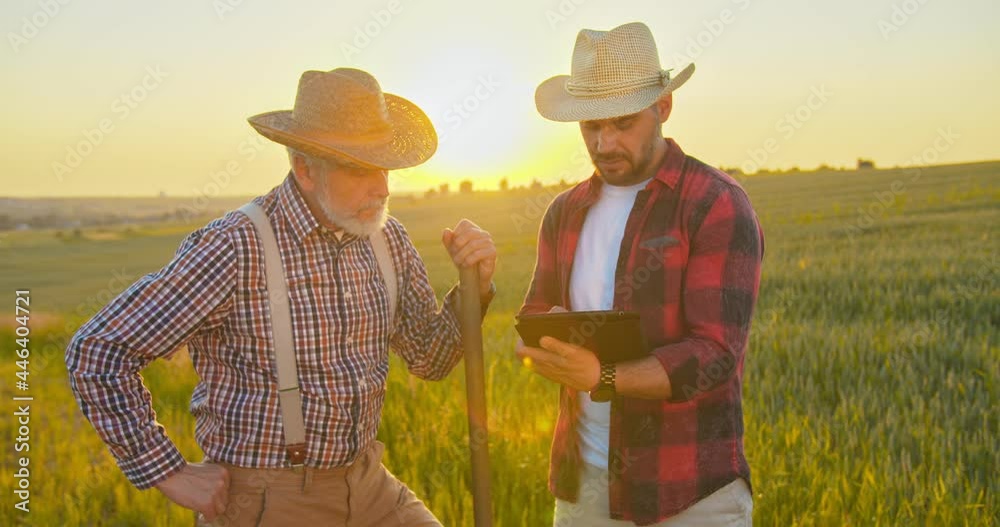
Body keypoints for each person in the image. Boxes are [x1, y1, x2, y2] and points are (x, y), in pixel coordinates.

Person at [65, 67, 497, 526]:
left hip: (368, 485)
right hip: (268, 498)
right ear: (305, 169)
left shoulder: (386, 238)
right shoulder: (235, 246)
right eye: (360, 167)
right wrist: (167, 471)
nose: (383, 187)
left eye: (385, 165)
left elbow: (430, 360)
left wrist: (476, 286)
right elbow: (98, 351)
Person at [516, 22, 765, 526]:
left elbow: (715, 354)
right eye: (590, 126)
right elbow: (536, 312)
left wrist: (601, 376)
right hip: (584, 488)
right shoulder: (564, 212)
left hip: (691, 495)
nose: (604, 142)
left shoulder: (714, 203)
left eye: (622, 123)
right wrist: (542, 344)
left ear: (663, 109)